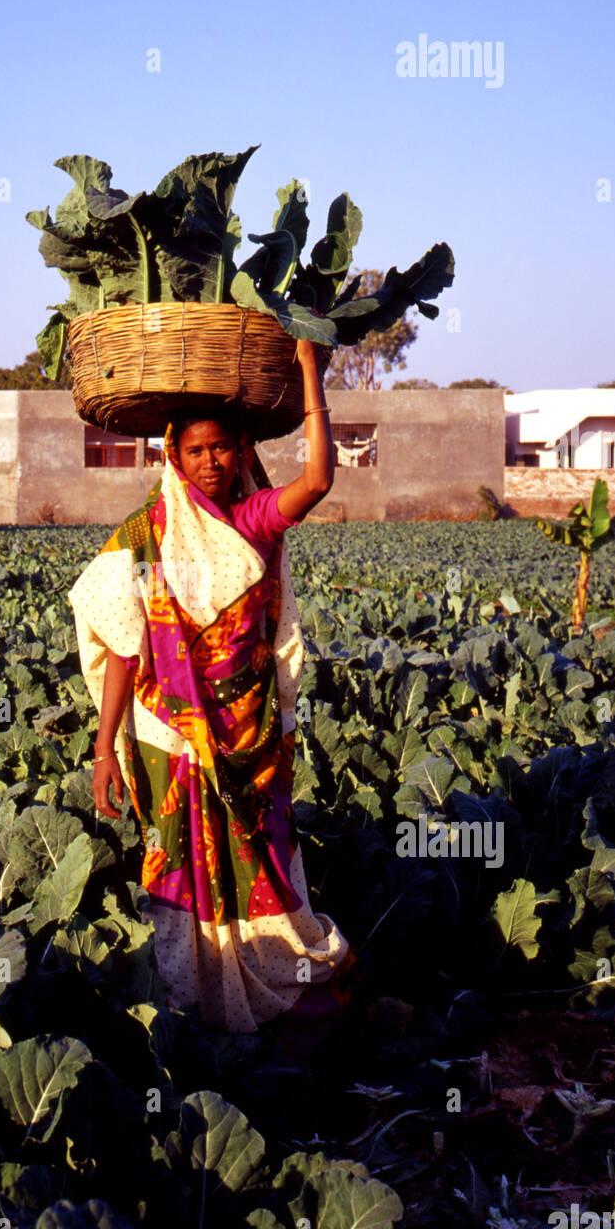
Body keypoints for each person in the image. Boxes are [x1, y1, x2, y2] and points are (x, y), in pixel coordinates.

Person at [67, 339, 357, 1052]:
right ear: (174, 456)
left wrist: (309, 370)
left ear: (240, 451)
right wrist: (102, 750)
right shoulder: (144, 536)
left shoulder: (252, 519)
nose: (210, 462)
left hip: (248, 732)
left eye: (222, 448)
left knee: (262, 857)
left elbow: (316, 478)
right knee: (178, 865)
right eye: (195, 451)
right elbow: (123, 647)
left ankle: (273, 993)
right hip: (168, 734)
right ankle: (192, 1007)